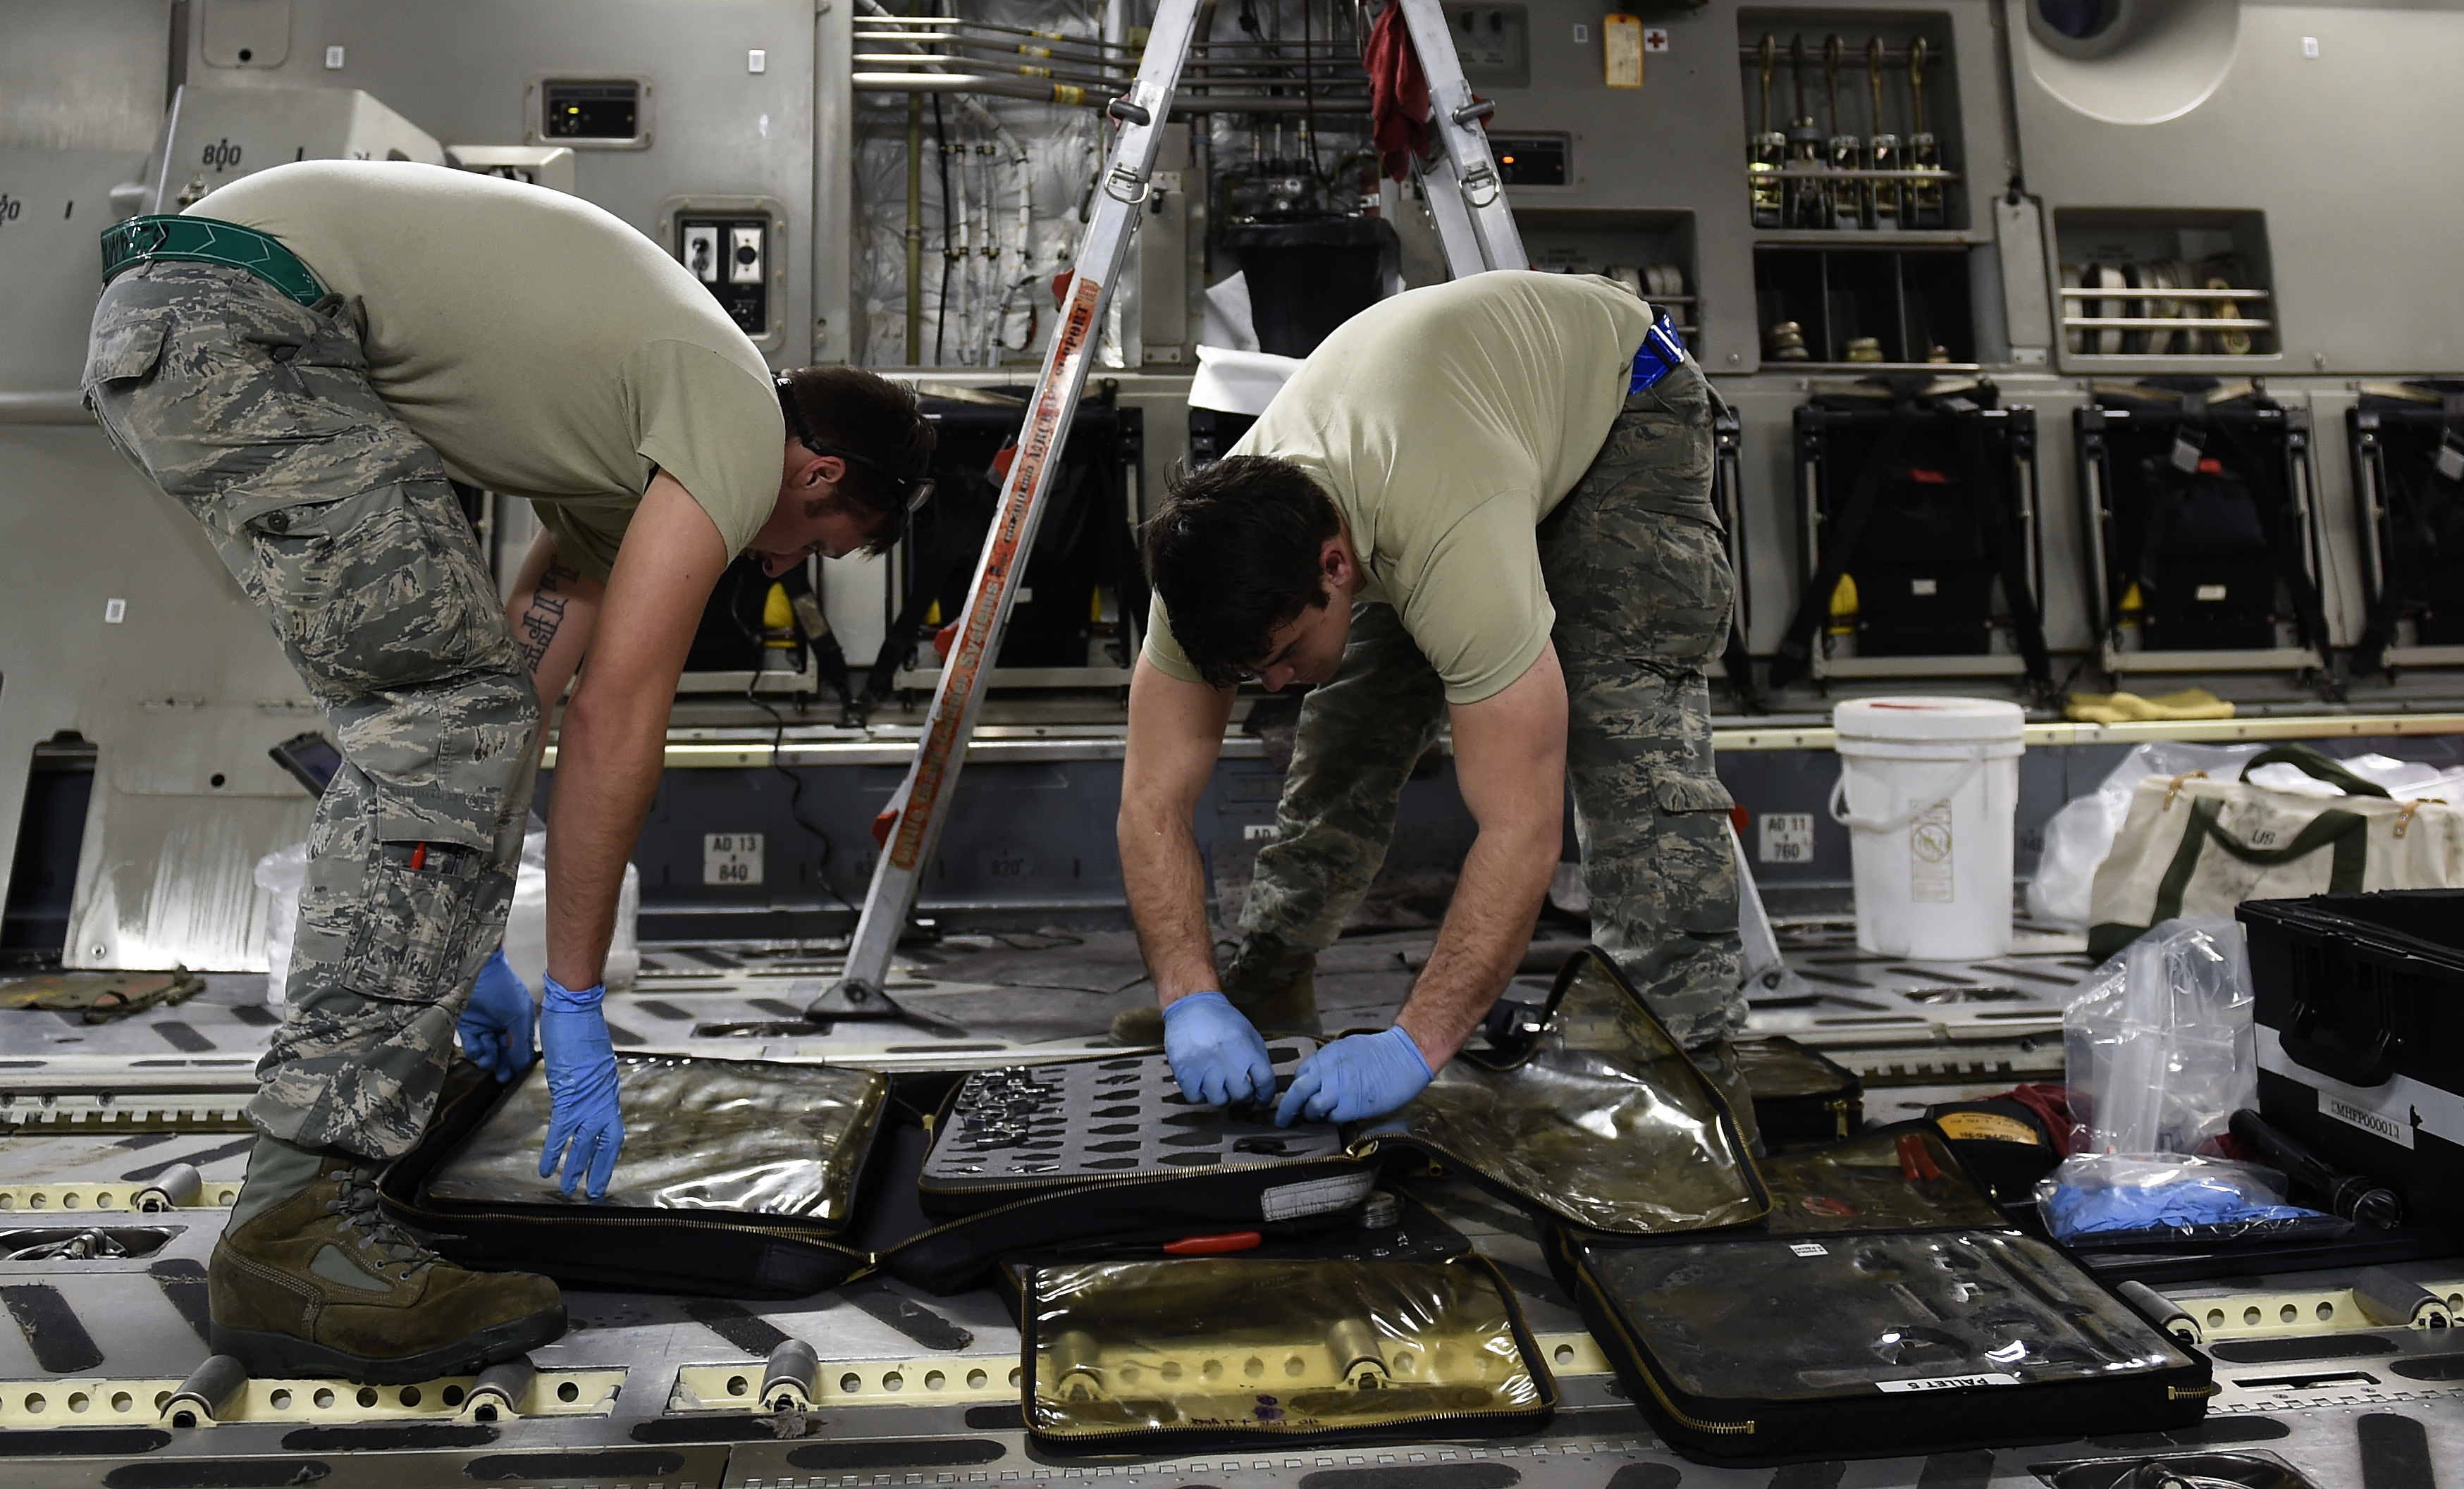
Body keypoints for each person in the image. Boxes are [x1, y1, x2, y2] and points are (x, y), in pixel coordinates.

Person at [80, 160, 933, 1385]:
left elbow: (525, 694)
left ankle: (328, 1167)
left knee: (456, 712)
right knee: (447, 712)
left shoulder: (632, 446)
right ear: (819, 476)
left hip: (202, 308)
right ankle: (296, 1223)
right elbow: (613, 722)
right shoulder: (737, 422)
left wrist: (459, 926)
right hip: (246, 322)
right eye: (809, 544)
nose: (773, 564)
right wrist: (577, 1002)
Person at [1114, 268, 1751, 1131]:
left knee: (1624, 740)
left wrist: (1417, 1042)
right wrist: (1187, 993)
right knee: (1345, 733)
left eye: (1280, 657)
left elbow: (1521, 825)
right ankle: (1265, 983)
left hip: (1618, 408)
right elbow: (1152, 798)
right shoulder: (1208, 555)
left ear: (1337, 568)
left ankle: (1688, 1086)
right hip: (1443, 438)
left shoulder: (1449, 534)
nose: (1270, 688)